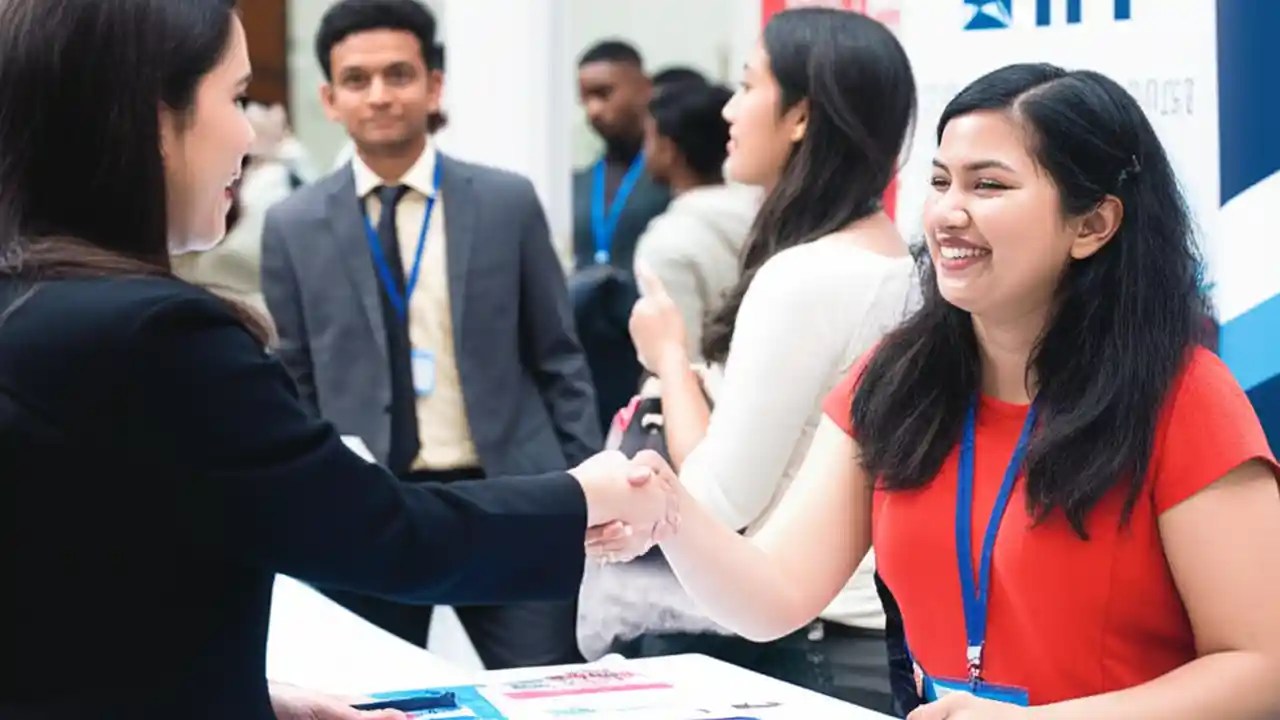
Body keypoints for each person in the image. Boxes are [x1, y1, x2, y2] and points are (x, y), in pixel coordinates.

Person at [0, 1, 674, 717]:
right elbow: (386, 530)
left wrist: (252, 696)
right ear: (149, 116)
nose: (250, 136)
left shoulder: (34, 305)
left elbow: (81, 595)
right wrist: (583, 494)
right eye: (236, 98)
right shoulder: (155, 336)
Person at [595, 62, 1280, 717]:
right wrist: (671, 515)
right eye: (941, 181)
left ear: (1093, 224)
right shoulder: (897, 381)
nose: (948, 213)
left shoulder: (1183, 398)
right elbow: (773, 595)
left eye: (989, 186)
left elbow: (1261, 667)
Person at [260, 0, 601, 668]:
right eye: (357, 80)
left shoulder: (506, 202)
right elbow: (295, 378)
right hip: (369, 506)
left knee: (549, 690)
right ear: (329, 98)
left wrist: (581, 480)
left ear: (434, 85)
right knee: (368, 695)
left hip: (509, 493)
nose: (380, 95)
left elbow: (559, 355)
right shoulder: (293, 224)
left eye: (399, 74)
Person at [610, 9, 917, 714]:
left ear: (802, 116)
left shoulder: (807, 275)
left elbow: (714, 498)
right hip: (862, 639)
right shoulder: (891, 256)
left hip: (805, 643)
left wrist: (669, 360)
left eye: (747, 86)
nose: (728, 107)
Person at [632, 80, 758, 358]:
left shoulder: (666, 242)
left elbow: (680, 359)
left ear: (667, 149)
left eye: (648, 138)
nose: (644, 151)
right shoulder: (776, 216)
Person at [572, 40, 671, 274]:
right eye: (585, 98)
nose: (593, 110)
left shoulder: (673, 176)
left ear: (646, 88)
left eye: (603, 93)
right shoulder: (578, 184)